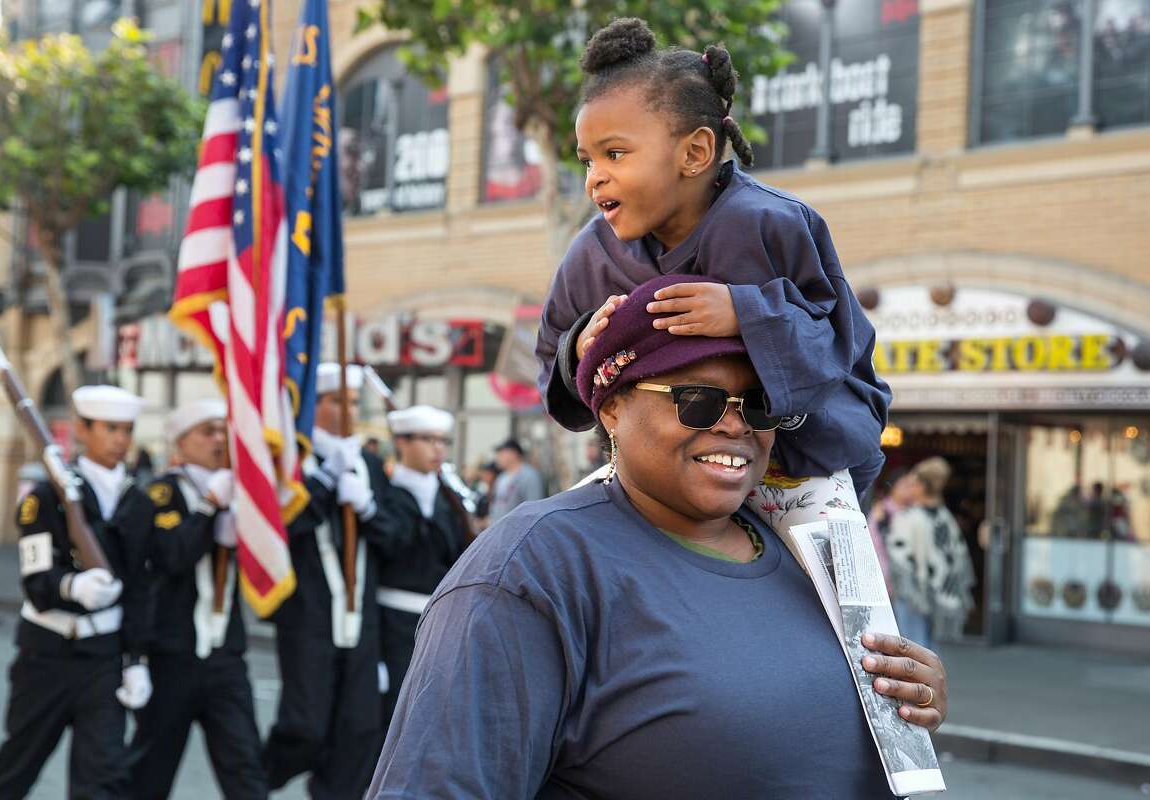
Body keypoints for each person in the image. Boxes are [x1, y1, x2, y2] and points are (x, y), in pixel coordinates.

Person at [367, 276, 947, 799]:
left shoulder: (806, 549)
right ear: (612, 408)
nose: (735, 423)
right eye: (697, 399)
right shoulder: (534, 567)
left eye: (761, 404)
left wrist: (908, 704)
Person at [535, 18, 889, 510]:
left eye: (615, 153)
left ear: (695, 152)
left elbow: (837, 339)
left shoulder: (769, 223)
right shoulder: (591, 254)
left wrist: (745, 314)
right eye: (588, 161)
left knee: (812, 562)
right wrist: (578, 349)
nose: (595, 178)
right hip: (662, 474)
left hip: (798, 467)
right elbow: (550, 354)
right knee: (561, 530)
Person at [0, 385, 154, 799]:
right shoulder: (46, 497)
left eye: (127, 430)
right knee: (14, 773)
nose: (121, 440)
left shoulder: (139, 503)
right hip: (47, 656)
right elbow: (36, 581)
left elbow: (141, 589)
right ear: (81, 430)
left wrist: (136, 659)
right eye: (110, 428)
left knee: (102, 780)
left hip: (103, 658)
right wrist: (72, 585)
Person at [263, 363, 397, 799]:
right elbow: (283, 530)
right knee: (305, 726)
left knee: (359, 732)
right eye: (337, 401)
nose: (348, 411)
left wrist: (368, 508)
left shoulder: (369, 465)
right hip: (310, 613)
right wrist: (321, 483)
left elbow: (393, 539)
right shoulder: (294, 464)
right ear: (312, 407)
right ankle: (254, 779)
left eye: (354, 402)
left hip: (360, 618)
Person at [127, 399, 268, 799]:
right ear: (181, 441)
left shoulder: (239, 491)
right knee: (151, 770)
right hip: (174, 653)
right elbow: (173, 554)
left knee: (245, 767)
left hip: (225, 653)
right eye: (208, 432)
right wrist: (208, 509)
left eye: (223, 430)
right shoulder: (162, 492)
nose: (219, 440)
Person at [376, 405, 473, 727]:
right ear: (401, 442)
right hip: (390, 622)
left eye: (443, 441)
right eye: (428, 440)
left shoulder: (451, 501)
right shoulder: (386, 494)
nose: (438, 449)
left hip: (439, 623)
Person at [885, 457, 977, 647]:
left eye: (912, 483)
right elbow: (957, 557)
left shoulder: (907, 517)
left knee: (912, 647)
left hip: (912, 595)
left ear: (920, 486)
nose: (910, 487)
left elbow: (899, 559)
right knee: (931, 650)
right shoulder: (945, 517)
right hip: (940, 592)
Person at [488, 438, 545, 523]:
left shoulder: (529, 476)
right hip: (500, 527)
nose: (497, 458)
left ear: (513, 454)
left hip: (519, 528)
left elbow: (535, 508)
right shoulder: (501, 478)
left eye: (501, 454)